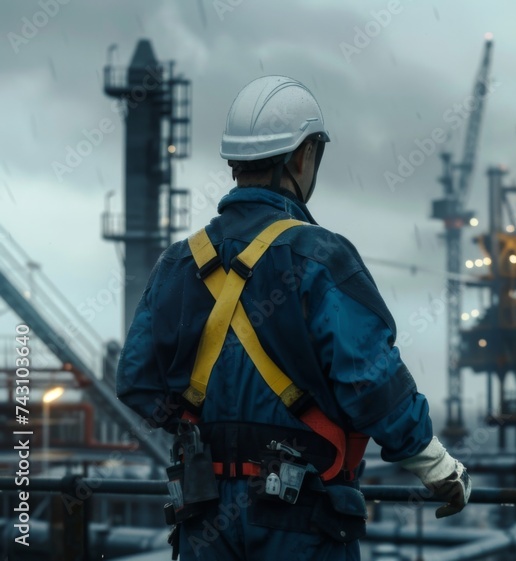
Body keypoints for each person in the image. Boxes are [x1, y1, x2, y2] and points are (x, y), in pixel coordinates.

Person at [116, 75, 470, 560]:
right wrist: (435, 466)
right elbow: (370, 381)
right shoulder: (320, 256)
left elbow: (137, 380)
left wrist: (202, 429)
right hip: (301, 518)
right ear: (304, 156)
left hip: (203, 519)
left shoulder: (180, 261)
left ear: (234, 163)